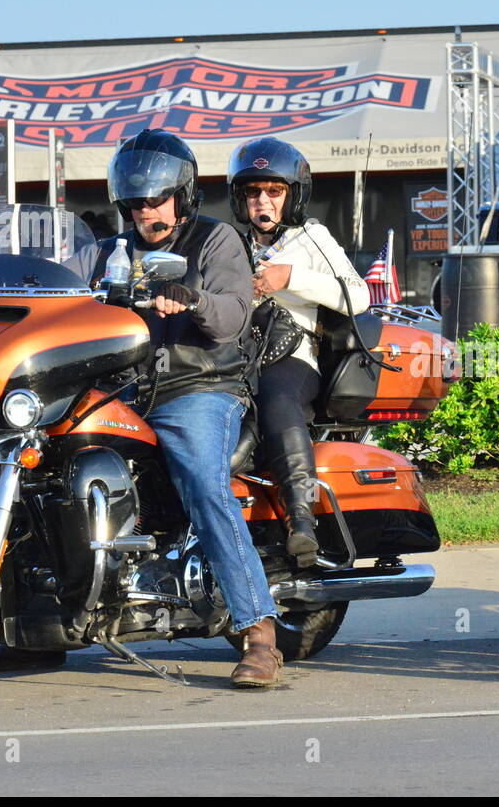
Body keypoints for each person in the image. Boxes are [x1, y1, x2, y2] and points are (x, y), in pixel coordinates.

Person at [68, 129, 284, 688]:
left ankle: (258, 630)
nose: (147, 211)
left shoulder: (215, 242)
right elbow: (58, 297)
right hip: (118, 391)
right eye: (137, 202)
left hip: (200, 387)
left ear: (182, 195)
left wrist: (192, 298)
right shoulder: (102, 252)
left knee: (202, 481)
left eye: (158, 199)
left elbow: (234, 313)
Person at [227, 137, 370, 566]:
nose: (262, 201)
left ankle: (301, 520)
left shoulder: (312, 236)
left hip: (291, 354)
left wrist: (290, 276)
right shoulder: (228, 241)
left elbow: (358, 295)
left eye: (274, 191)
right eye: (253, 192)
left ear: (293, 195)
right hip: (231, 357)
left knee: (277, 397)